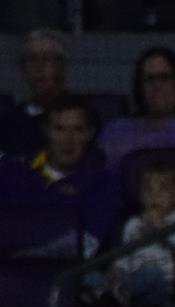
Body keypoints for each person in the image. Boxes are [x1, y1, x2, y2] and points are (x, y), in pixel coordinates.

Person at [0, 94, 120, 258]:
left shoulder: (104, 183)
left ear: (90, 133)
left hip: (70, 276)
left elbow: (85, 246)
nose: (68, 140)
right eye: (59, 129)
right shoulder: (12, 170)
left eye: (78, 130)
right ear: (46, 130)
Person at [106, 156, 175, 307]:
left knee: (152, 274)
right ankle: (113, 290)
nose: (154, 195)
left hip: (167, 285)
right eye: (148, 189)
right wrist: (117, 268)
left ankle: (114, 292)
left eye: (162, 189)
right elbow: (125, 254)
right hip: (132, 275)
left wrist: (162, 231)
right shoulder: (133, 223)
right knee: (89, 276)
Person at [0, 29, 68, 160]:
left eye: (47, 59)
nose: (39, 66)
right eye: (32, 59)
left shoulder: (83, 118)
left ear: (62, 67)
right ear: (23, 69)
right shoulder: (8, 122)